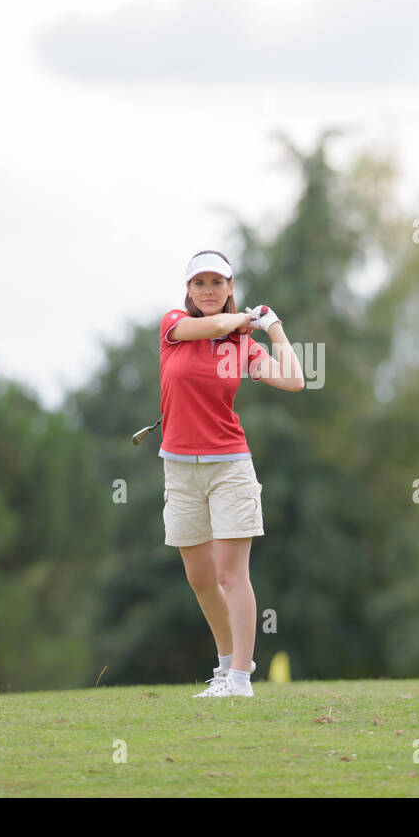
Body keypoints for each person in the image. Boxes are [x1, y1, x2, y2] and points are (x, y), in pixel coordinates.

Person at [158, 250, 304, 698]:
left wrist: (272, 326)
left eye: (216, 283)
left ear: (229, 286)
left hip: (230, 466)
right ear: (188, 290)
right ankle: (226, 667)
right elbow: (214, 325)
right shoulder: (173, 327)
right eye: (199, 284)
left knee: (230, 575)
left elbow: (295, 379)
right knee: (200, 578)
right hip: (180, 470)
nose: (207, 291)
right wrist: (244, 318)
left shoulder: (240, 345)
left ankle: (240, 678)